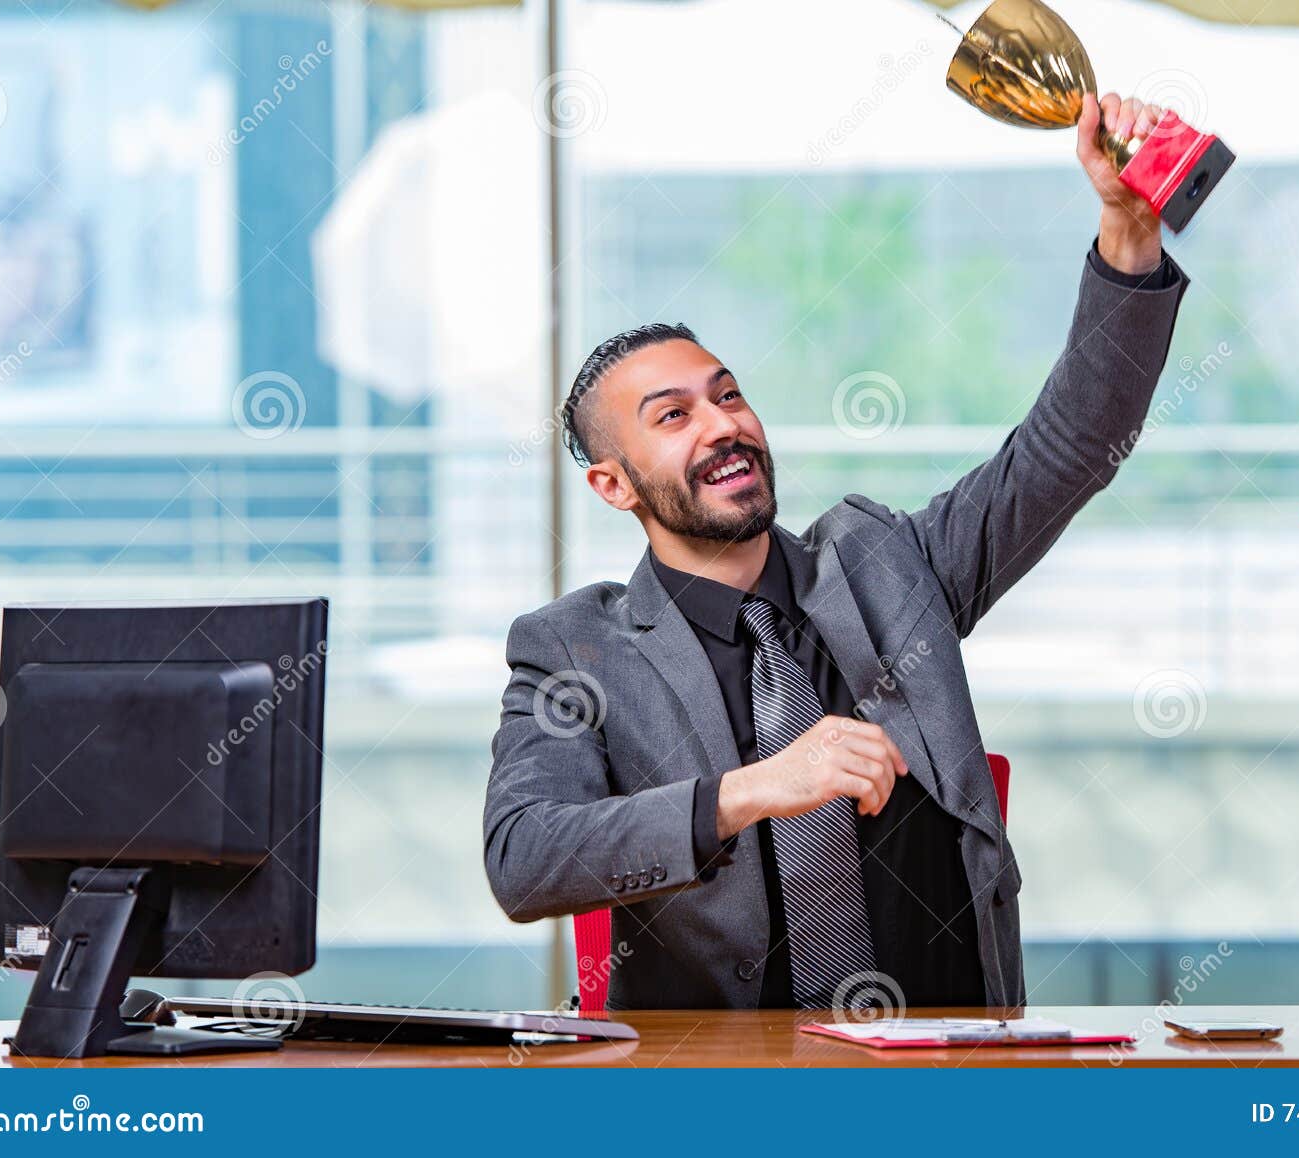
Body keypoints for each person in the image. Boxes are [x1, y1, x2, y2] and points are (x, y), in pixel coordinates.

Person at [485, 94, 1189, 1009]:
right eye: (675, 415)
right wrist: (746, 792)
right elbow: (524, 858)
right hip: (730, 1091)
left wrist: (1127, 236)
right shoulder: (575, 648)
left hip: (949, 1066)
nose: (724, 426)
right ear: (613, 485)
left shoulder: (885, 566)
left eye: (729, 395)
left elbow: (1068, 448)